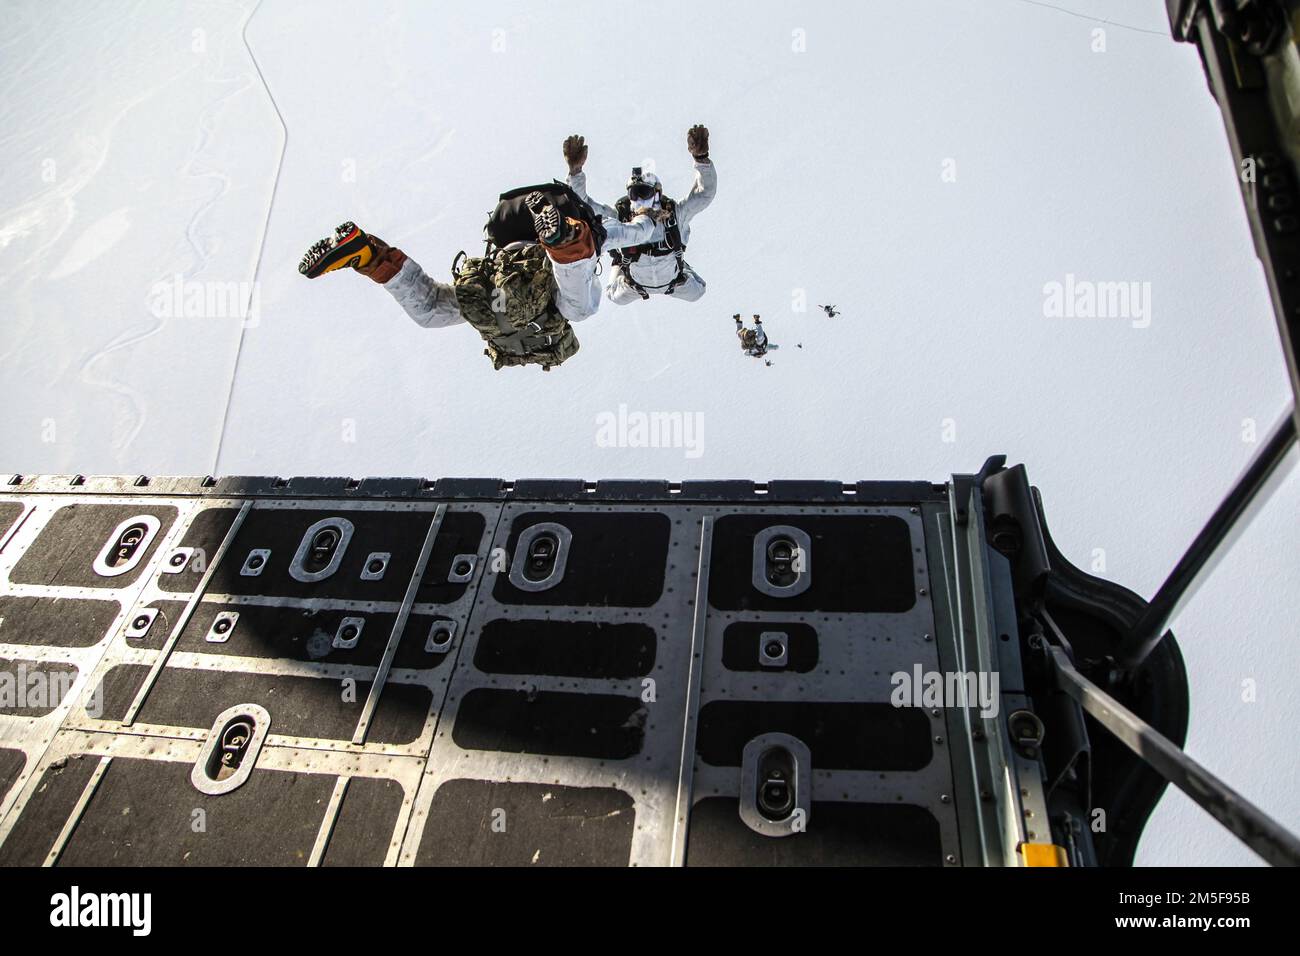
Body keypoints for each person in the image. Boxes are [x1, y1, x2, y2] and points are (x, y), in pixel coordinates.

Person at [298, 188, 655, 370]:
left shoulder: (602, 228)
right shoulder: (603, 226)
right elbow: (636, 231)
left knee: (431, 311)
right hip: (539, 255)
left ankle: (367, 255)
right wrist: (649, 221)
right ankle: (563, 242)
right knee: (580, 308)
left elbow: (630, 232)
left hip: (506, 261)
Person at [562, 125, 716, 304]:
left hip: (674, 281)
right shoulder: (621, 218)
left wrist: (701, 159)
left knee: (699, 292)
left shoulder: (674, 215)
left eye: (644, 193)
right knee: (613, 296)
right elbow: (582, 205)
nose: (639, 201)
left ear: (657, 195)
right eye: (634, 195)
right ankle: (620, 263)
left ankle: (681, 267)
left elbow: (703, 194)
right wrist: (575, 172)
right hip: (633, 284)